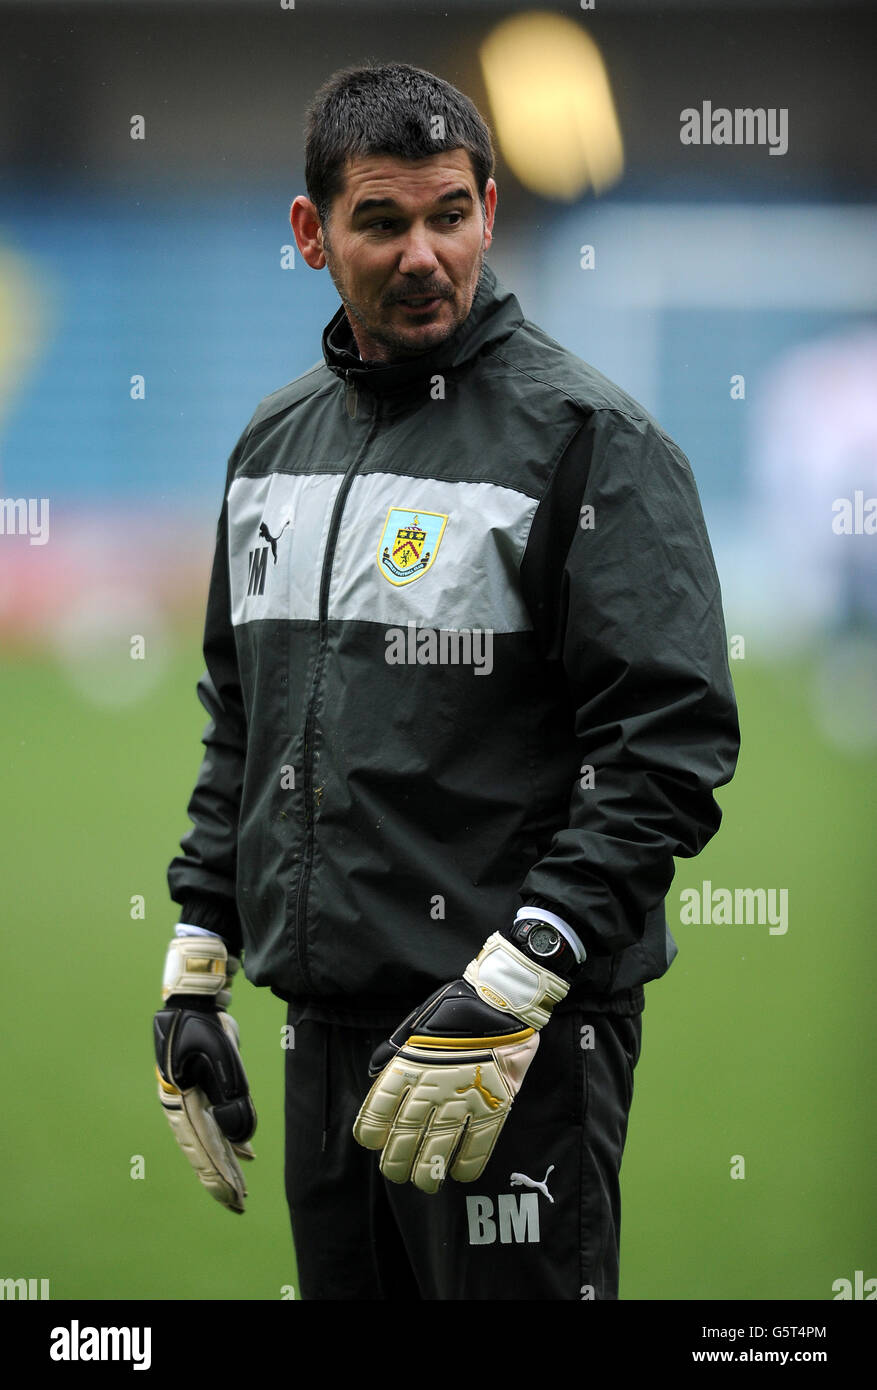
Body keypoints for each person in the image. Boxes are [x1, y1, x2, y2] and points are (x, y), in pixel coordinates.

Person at [154, 62, 740, 1301]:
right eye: (381, 221)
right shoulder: (272, 445)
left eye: (451, 213)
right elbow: (241, 724)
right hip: (325, 1039)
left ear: (489, 208)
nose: (423, 254)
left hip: (513, 1045)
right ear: (312, 235)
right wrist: (197, 964)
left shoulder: (592, 441)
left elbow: (665, 751)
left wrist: (519, 977)